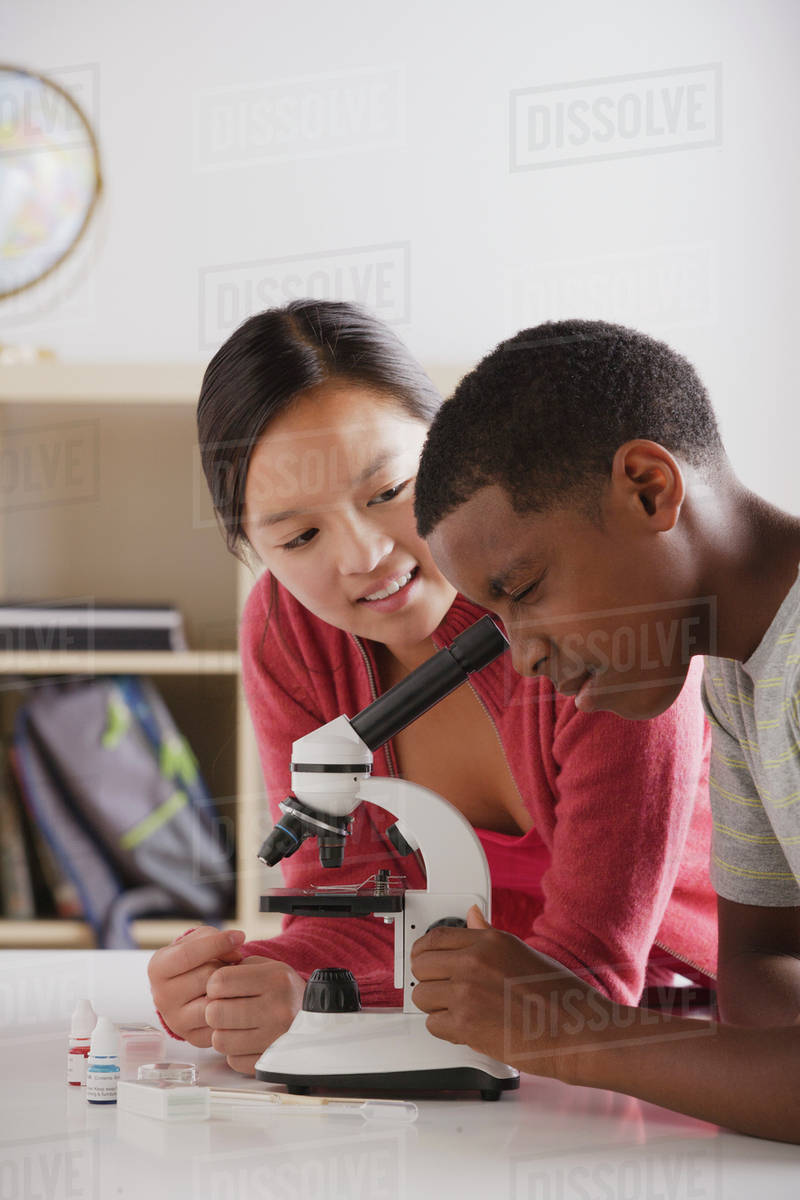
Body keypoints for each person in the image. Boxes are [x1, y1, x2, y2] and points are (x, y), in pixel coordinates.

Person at [148, 301, 717, 1077]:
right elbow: (343, 899)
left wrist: (330, 1008)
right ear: (256, 550)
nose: (367, 555)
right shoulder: (287, 633)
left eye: (389, 491)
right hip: (471, 1024)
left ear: (449, 442)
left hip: (669, 1031)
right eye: (300, 537)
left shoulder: (587, 610)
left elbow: (591, 970)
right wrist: (247, 987)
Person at [410, 317, 800, 1143]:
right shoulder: (738, 671)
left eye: (526, 589)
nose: (523, 659)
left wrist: (573, 1033)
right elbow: (761, 966)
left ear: (649, 489)